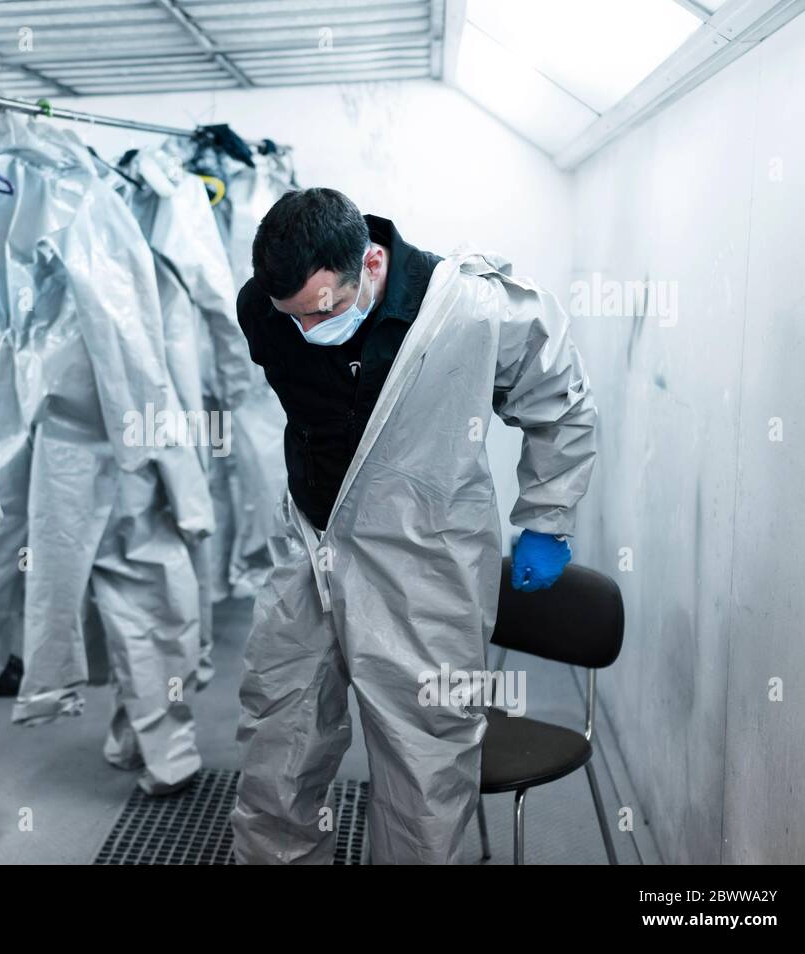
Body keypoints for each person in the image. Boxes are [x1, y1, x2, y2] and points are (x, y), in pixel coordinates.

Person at [230, 188, 597, 864]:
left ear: (370, 263)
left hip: (425, 558)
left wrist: (548, 518)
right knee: (279, 732)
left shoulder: (471, 308)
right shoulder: (264, 309)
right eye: (294, 318)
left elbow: (560, 402)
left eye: (326, 310)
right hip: (312, 547)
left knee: (423, 757)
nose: (309, 329)